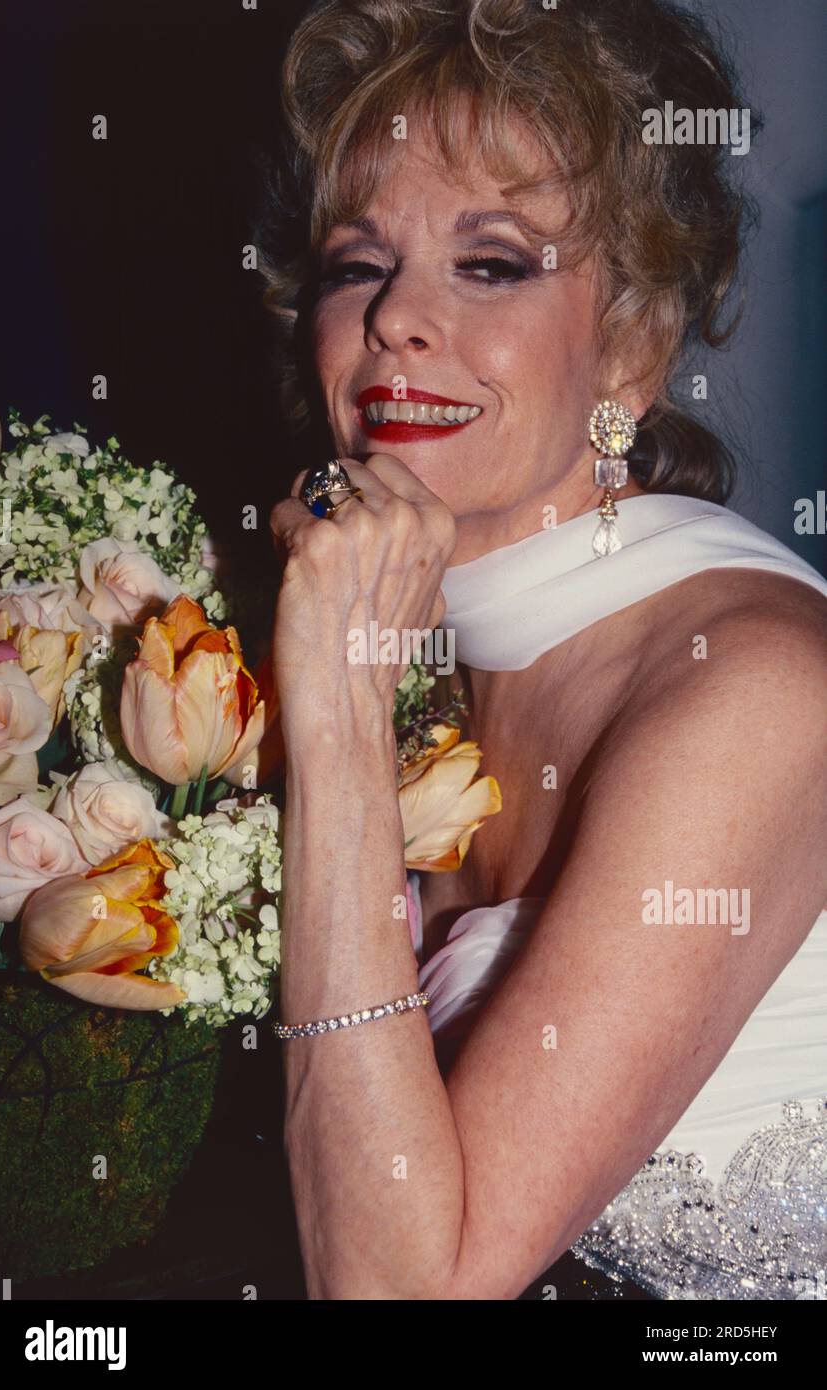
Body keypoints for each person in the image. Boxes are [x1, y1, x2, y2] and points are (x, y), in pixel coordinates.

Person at [258, 0, 827, 1299]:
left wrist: (337, 714)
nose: (397, 316)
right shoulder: (431, 655)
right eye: (358, 263)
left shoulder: (749, 684)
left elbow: (404, 1286)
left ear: (628, 347)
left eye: (493, 261)